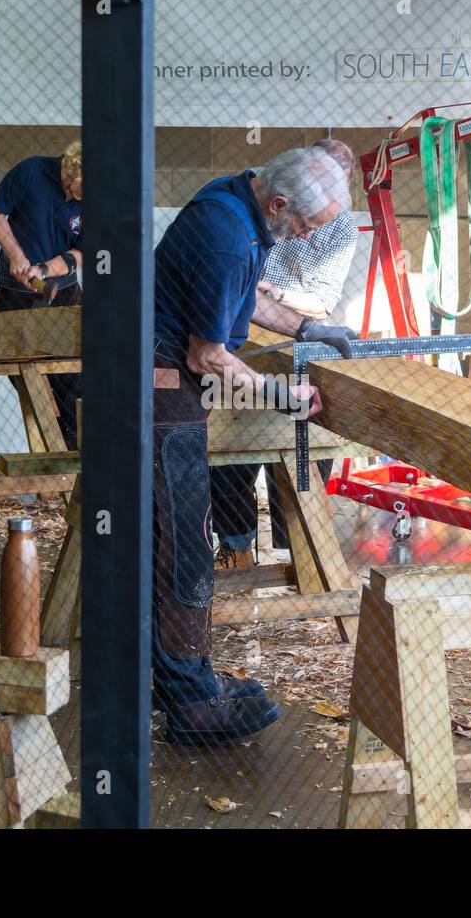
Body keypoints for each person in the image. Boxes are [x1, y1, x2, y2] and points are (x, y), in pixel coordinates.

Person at [152, 147, 358, 744]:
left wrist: (307, 328)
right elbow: (207, 355)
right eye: (306, 226)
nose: (303, 237)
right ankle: (190, 706)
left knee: (174, 542)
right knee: (183, 547)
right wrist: (279, 395)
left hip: (169, 380)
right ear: (280, 206)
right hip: (163, 384)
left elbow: (245, 299)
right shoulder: (227, 233)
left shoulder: (239, 206)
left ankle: (185, 681)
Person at [211, 139, 360, 568]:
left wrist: (275, 294)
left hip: (292, 326)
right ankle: (236, 546)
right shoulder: (259, 192)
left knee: (307, 447)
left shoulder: (342, 227)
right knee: (231, 443)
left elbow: (322, 301)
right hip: (246, 333)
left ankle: (298, 550)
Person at [0, 141, 83, 449]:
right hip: (17, 299)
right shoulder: (31, 172)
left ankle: (75, 449)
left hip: (63, 295)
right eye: (81, 188)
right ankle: (53, 448)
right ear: (69, 170)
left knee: (79, 377)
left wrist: (45, 269)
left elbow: (83, 252)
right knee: (32, 382)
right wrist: (16, 255)